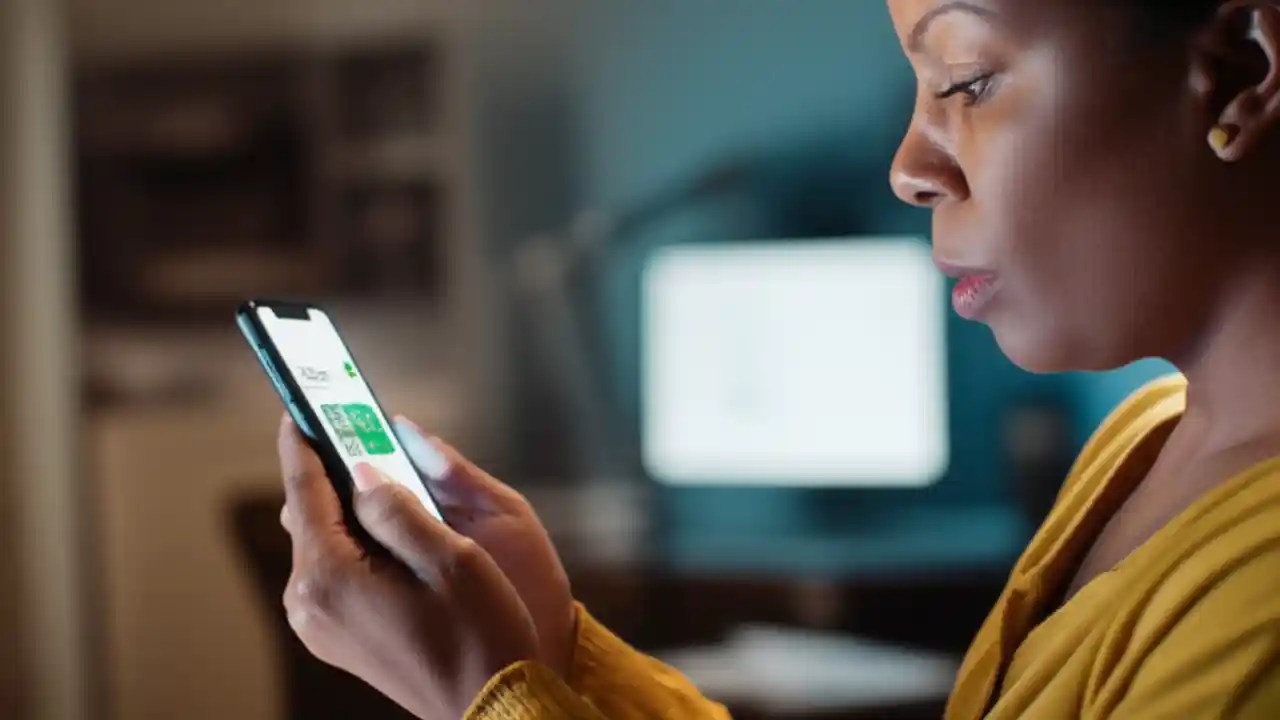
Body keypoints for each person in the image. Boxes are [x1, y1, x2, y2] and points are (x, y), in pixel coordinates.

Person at [274, 0, 1280, 717]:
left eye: (963, 80)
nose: (907, 167)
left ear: (1238, 66)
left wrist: (487, 703)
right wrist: (554, 653)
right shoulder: (1141, 439)